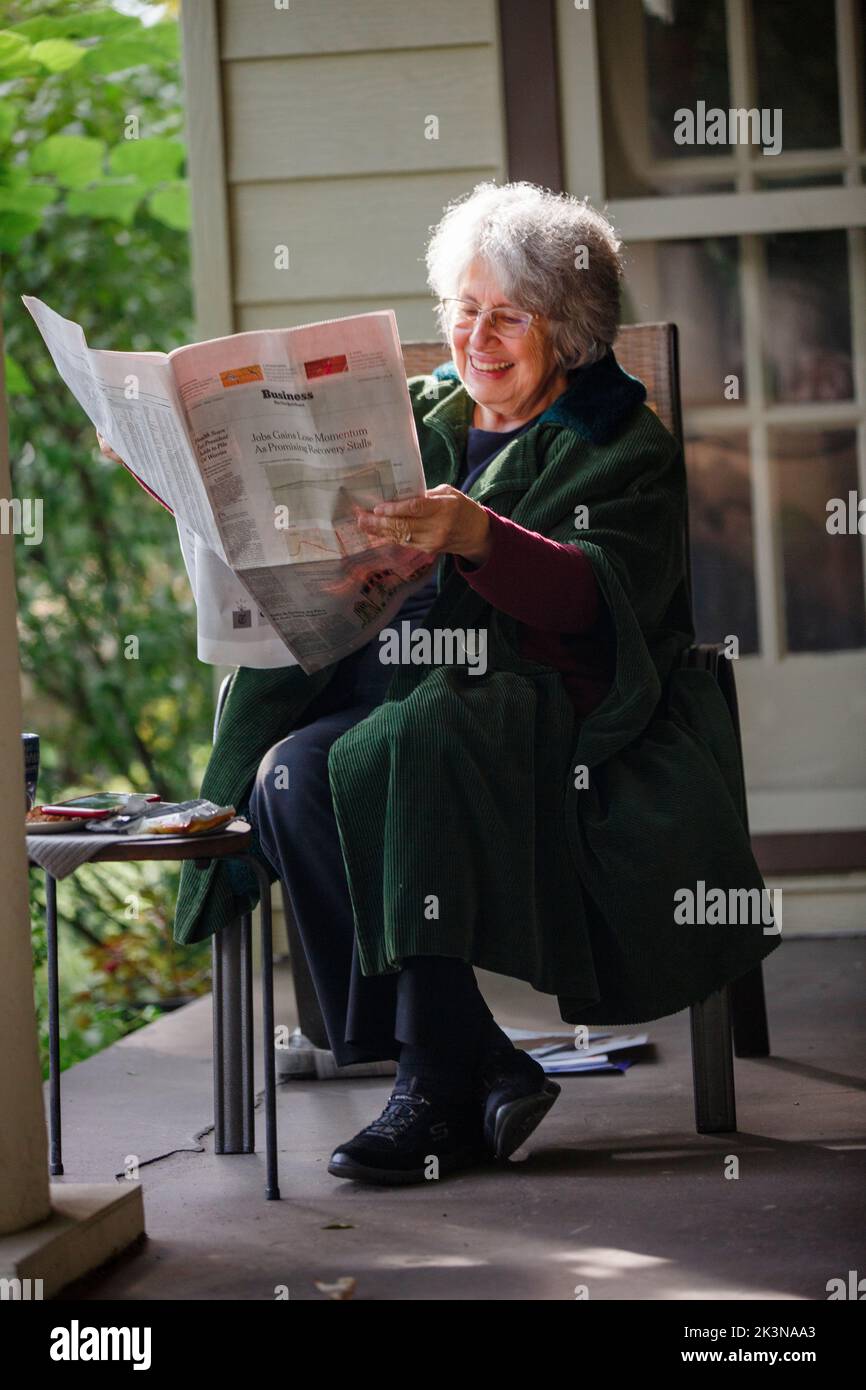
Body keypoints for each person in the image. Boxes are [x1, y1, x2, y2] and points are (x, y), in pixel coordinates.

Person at [102, 181, 780, 1187]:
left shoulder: (619, 443)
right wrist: (185, 477)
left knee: (398, 748)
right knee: (287, 773)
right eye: (463, 309)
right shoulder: (413, 417)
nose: (478, 334)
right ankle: (476, 1058)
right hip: (384, 679)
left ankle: (430, 1088)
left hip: (542, 705)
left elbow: (597, 603)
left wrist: (478, 533)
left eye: (510, 313)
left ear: (574, 328)